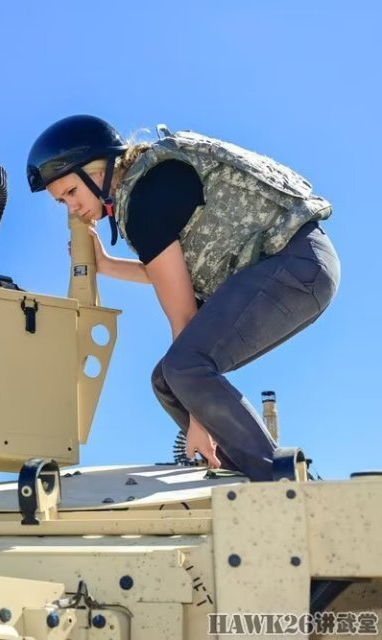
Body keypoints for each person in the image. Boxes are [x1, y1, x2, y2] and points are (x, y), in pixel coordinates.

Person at [27, 115, 340, 481]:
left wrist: (198, 419)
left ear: (97, 170)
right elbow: (170, 275)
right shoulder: (143, 191)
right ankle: (240, 475)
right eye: (61, 201)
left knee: (183, 367)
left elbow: (183, 317)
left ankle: (279, 483)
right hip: (292, 269)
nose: (71, 208)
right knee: (166, 379)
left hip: (295, 265)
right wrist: (107, 266)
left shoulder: (145, 199)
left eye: (71, 193)